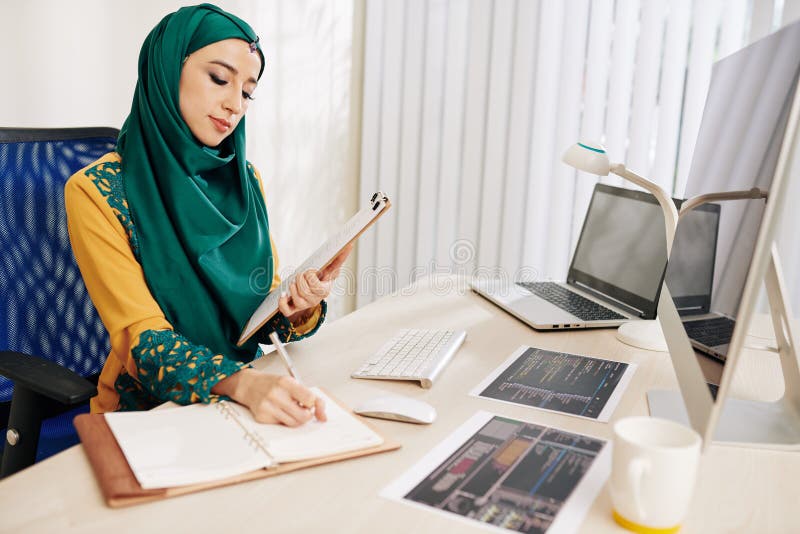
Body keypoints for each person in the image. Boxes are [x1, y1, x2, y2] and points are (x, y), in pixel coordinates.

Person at [65, 3, 349, 427]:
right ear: (168, 69)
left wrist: (297, 305)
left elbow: (256, 317)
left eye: (248, 93)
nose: (235, 105)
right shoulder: (98, 191)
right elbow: (144, 343)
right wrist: (243, 384)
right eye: (219, 78)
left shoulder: (245, 182)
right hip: (148, 413)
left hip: (245, 394)